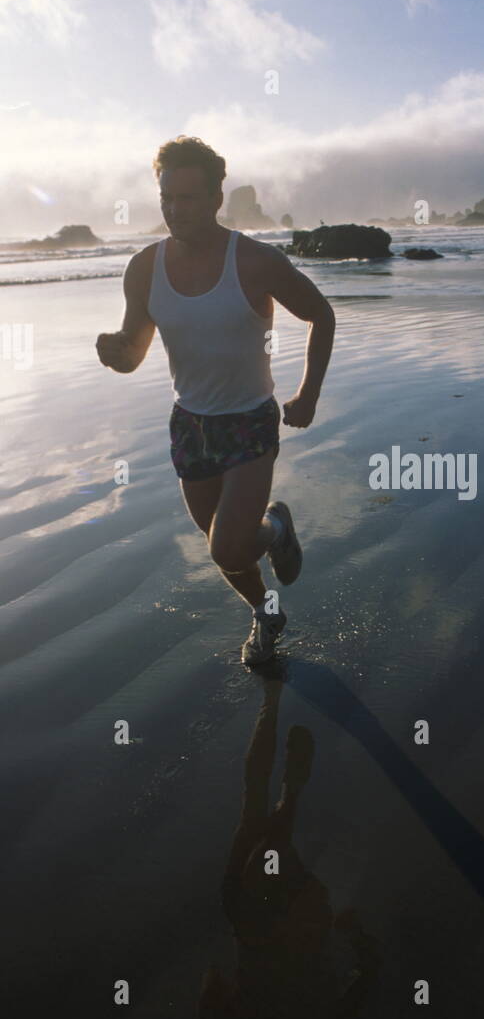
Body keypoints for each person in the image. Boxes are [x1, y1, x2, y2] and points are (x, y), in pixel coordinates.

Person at [96, 135, 335, 667]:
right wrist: (116, 355)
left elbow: (322, 314)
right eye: (166, 198)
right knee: (225, 550)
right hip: (190, 424)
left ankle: (277, 526)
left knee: (227, 546)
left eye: (187, 198)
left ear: (215, 199)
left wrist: (308, 395)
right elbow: (135, 353)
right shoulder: (144, 268)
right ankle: (264, 612)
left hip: (249, 421)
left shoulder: (253, 261)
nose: (175, 210)